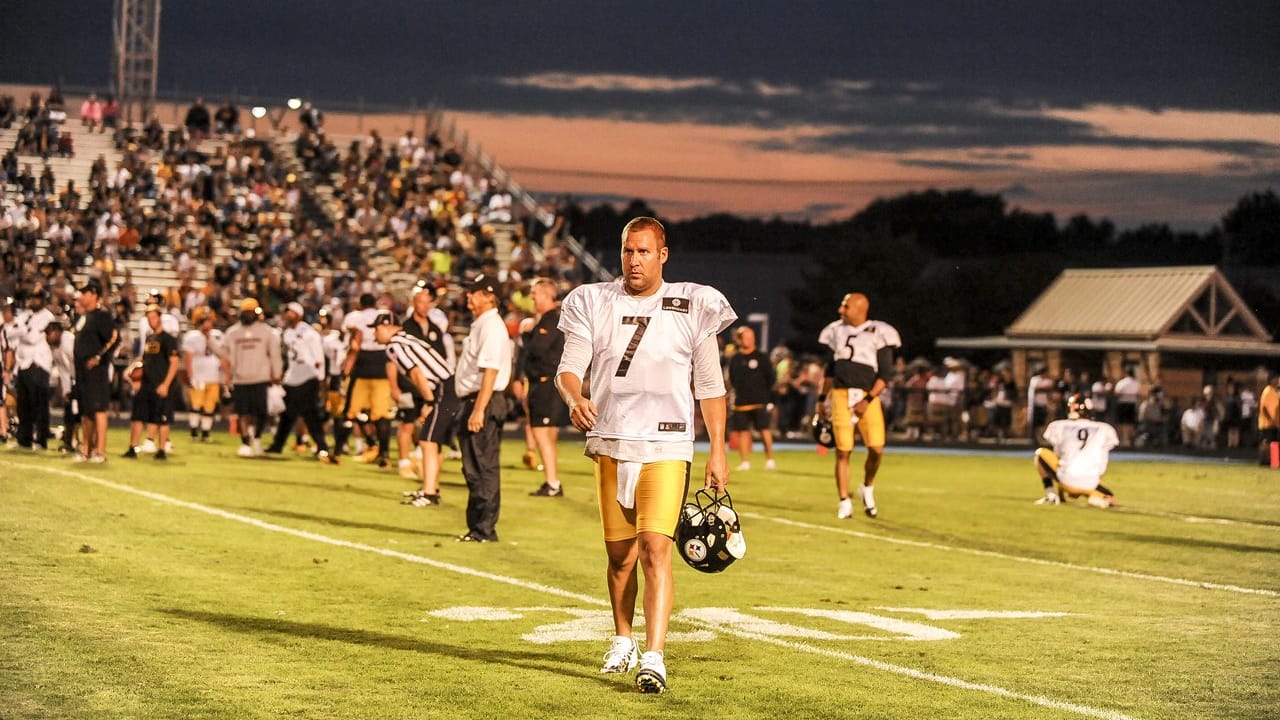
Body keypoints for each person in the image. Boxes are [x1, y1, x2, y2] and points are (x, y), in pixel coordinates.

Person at [556, 216, 736, 694]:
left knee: (657, 550)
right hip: (612, 440)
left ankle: (654, 656)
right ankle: (623, 638)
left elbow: (711, 387)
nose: (633, 261)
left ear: (663, 254)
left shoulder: (694, 303)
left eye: (643, 251)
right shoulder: (592, 301)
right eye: (627, 251)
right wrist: (575, 400)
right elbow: (569, 369)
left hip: (667, 444)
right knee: (620, 559)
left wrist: (717, 451)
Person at [816, 293, 900, 520]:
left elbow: (885, 375)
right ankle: (844, 501)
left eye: (846, 306)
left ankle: (867, 486)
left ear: (861, 308)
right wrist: (821, 399)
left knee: (877, 448)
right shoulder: (835, 330)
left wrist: (868, 400)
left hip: (866, 395)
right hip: (841, 395)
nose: (841, 310)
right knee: (843, 451)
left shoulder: (879, 331)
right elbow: (830, 371)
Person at [453, 273, 513, 543]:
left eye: (474, 292)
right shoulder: (482, 324)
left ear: (489, 297)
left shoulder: (491, 326)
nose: (469, 296)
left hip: (483, 399)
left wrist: (479, 409)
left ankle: (484, 528)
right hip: (477, 398)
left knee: (483, 466)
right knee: (473, 466)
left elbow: (490, 371)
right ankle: (477, 527)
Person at [376, 310, 457, 506]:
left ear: (388, 327)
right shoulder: (407, 340)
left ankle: (429, 493)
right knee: (433, 440)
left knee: (427, 440)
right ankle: (432, 488)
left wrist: (429, 402)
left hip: (442, 388)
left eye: (377, 329)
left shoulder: (395, 346)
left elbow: (416, 373)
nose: (374, 335)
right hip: (448, 385)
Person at [392, 285, 455, 482]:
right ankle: (403, 462)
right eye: (421, 302)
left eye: (428, 303)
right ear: (413, 303)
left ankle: (420, 459)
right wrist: (394, 385)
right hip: (410, 383)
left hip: (432, 386)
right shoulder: (406, 328)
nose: (424, 307)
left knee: (428, 424)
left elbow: (441, 359)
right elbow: (395, 360)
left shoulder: (435, 329)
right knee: (408, 423)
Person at [519, 278, 570, 496]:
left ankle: (553, 483)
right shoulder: (549, 319)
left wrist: (527, 333)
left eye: (535, 293)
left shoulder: (550, 320)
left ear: (548, 295)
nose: (532, 297)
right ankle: (551, 481)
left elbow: (538, 349)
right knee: (546, 435)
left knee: (542, 433)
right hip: (545, 384)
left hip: (545, 384)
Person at [266, 303, 336, 463]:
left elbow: (318, 357)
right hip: (292, 377)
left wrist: (320, 379)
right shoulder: (288, 332)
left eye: (290, 312)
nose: (287, 315)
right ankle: (278, 444)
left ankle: (322, 446)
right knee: (287, 415)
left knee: (311, 415)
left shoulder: (309, 333)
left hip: (307, 377)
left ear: (298, 314)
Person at [1034, 393, 1120, 508]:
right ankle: (1095, 498)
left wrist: (1061, 488)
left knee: (1040, 453)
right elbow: (1102, 461)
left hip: (1066, 480)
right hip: (1091, 482)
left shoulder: (1060, 425)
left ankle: (1051, 495)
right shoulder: (1105, 429)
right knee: (1111, 499)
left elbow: (1058, 456)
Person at [224, 298, 281, 457]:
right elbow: (225, 355)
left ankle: (256, 438)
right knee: (243, 412)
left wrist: (276, 374)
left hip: (260, 377)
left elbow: (275, 355)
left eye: (251, 312)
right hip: (241, 378)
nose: (248, 315)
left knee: (261, 413)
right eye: (246, 312)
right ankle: (245, 442)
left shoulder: (266, 332)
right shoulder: (233, 332)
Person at [341, 293, 393, 465]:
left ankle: (367, 445)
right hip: (382, 364)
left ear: (360, 304)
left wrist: (347, 368)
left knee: (352, 411)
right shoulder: (383, 315)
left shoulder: (354, 318)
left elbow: (354, 345)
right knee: (382, 414)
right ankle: (384, 453)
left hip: (362, 365)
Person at [123, 305, 179, 460]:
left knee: (162, 418)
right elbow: (144, 359)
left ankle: (161, 450)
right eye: (149, 318)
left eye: (153, 317)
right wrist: (132, 369)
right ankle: (132, 447)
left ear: (160, 317)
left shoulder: (168, 339)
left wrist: (166, 384)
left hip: (160, 383)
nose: (151, 320)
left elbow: (174, 362)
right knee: (138, 416)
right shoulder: (150, 338)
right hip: (146, 383)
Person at [72, 282, 119, 463]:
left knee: (98, 409)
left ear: (93, 294)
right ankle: (86, 449)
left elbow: (114, 338)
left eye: (84, 293)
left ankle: (100, 451)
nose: (81, 296)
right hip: (82, 372)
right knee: (86, 411)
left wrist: (99, 357)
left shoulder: (102, 316)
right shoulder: (84, 317)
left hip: (96, 372)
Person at [726, 325, 776, 472]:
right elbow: (733, 378)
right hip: (741, 401)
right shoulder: (735, 358)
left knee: (764, 429)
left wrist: (766, 396)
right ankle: (745, 462)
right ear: (739, 340)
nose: (748, 340)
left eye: (750, 337)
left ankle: (770, 459)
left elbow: (770, 378)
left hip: (759, 400)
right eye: (745, 337)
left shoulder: (761, 357)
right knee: (743, 431)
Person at [13, 292, 55, 450]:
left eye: (37, 298)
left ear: (43, 300)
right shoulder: (25, 315)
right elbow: (12, 332)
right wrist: (25, 330)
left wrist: (22, 331)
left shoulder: (47, 317)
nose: (34, 301)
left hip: (39, 363)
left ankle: (41, 438)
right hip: (23, 363)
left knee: (39, 404)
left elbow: (32, 338)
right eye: (32, 298)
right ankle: (24, 438)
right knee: (23, 404)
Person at [182, 306, 227, 442]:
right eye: (204, 320)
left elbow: (223, 355)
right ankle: (194, 432)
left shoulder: (218, 335)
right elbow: (188, 358)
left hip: (214, 376)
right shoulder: (191, 336)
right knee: (196, 405)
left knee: (210, 406)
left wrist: (225, 375)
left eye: (209, 320)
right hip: (198, 376)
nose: (207, 323)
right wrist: (190, 375)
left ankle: (206, 432)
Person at [1113, 367, 1141, 446]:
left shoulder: (1122, 382)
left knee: (1122, 422)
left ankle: (1122, 439)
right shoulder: (1137, 383)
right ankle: (1129, 439)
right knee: (1130, 423)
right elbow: (1138, 393)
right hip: (1132, 404)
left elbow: (1117, 393)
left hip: (1123, 403)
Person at [1259, 372, 1279, 466]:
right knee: (1266, 442)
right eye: (1276, 379)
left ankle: (1273, 461)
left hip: (1274, 423)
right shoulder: (1267, 391)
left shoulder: (1274, 391)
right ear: (1271, 380)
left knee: (1273, 442)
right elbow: (1264, 408)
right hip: (1267, 423)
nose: (1277, 381)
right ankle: (1264, 461)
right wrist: (1270, 419)